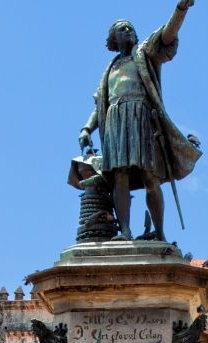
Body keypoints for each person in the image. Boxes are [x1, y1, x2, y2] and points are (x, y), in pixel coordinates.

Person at [78, 0, 201, 242]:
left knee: (150, 177)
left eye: (131, 28)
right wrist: (86, 128)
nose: (129, 31)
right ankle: (124, 231)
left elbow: (167, 33)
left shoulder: (144, 53)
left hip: (141, 117)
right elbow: (99, 104)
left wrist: (180, 9)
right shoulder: (110, 69)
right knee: (119, 176)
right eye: (123, 29)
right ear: (114, 39)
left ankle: (160, 233)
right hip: (114, 120)